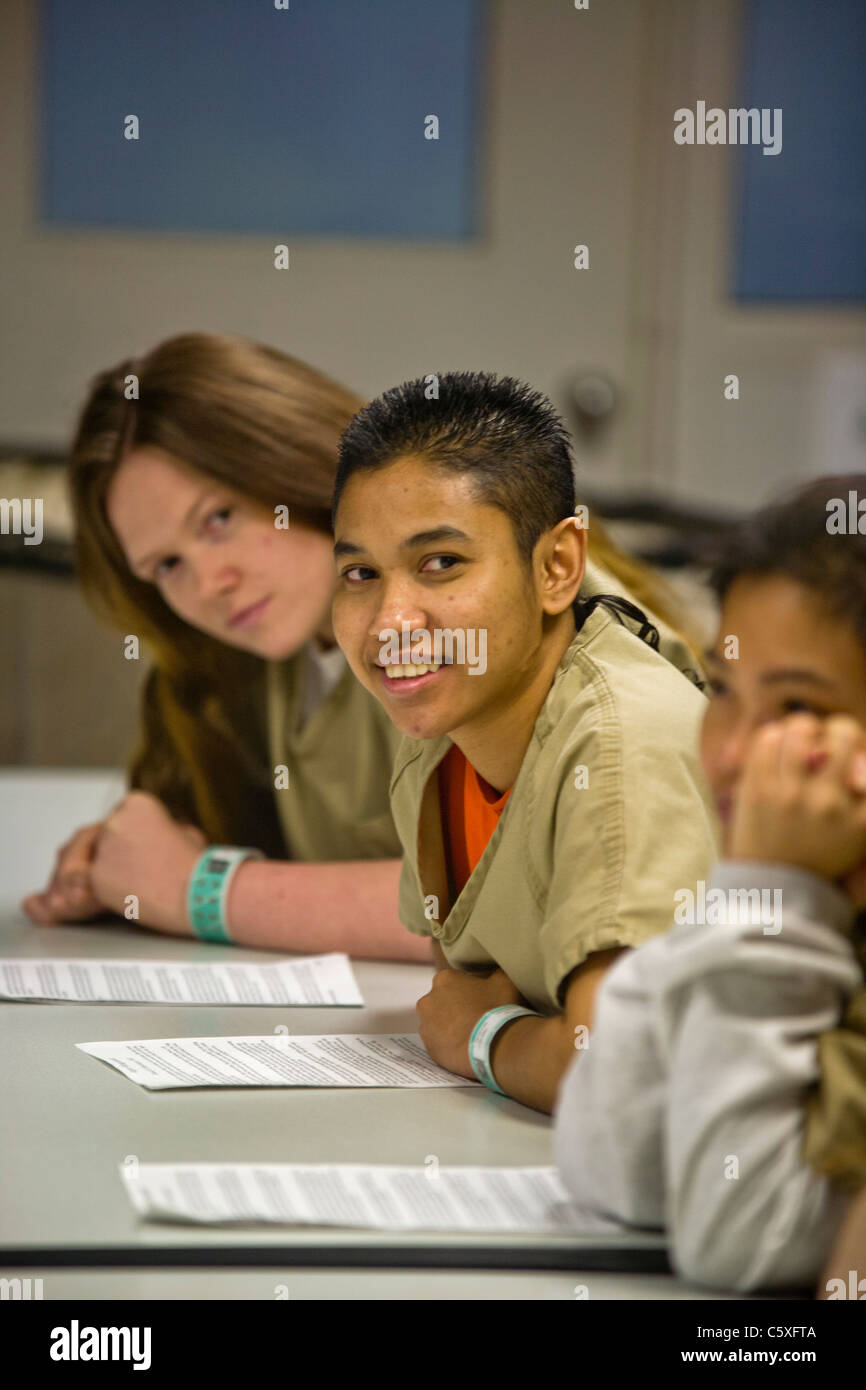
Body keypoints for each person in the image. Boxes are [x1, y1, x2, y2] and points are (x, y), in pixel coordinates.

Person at [22, 334, 684, 960]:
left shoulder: (523, 596)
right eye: (166, 565)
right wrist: (119, 864)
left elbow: (525, 891)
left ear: (293, 461)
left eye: (219, 519)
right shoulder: (259, 654)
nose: (208, 584)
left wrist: (201, 890)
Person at [330, 370, 719, 1112]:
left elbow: (623, 1074)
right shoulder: (441, 733)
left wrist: (482, 1039)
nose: (389, 623)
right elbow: (466, 981)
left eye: (440, 563)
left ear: (557, 567)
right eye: (360, 573)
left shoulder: (619, 744)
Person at [554, 474, 866, 1292]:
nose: (733, 753)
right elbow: (612, 1165)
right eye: (724, 691)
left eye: (797, 704)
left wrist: (772, 892)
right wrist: (749, 892)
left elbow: (740, 1244)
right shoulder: (818, 889)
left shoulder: (797, 891)